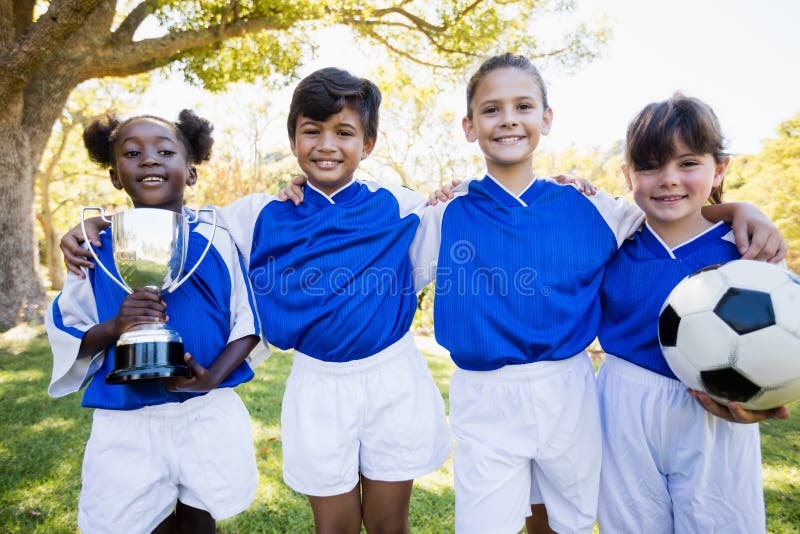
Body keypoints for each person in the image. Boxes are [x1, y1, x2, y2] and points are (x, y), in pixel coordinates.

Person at [61, 68, 452, 534]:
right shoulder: (260, 213)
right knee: (334, 527)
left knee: (391, 524)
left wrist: (551, 189)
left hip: (392, 375)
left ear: (367, 145)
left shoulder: (400, 205)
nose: (326, 145)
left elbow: (457, 217)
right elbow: (175, 218)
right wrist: (98, 226)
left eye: (344, 133)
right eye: (312, 131)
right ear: (293, 140)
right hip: (317, 381)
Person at [416, 53, 785, 534]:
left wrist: (739, 208)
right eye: (492, 109)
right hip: (514, 397)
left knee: (578, 517)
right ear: (469, 125)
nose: (508, 119)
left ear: (546, 118)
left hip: (578, 393)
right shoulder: (448, 212)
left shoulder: (600, 211)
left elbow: (679, 214)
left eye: (524, 105)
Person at [46, 110, 262, 534]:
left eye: (165, 151)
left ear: (192, 172)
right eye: (132, 152)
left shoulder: (217, 235)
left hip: (206, 410)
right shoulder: (92, 247)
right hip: (127, 423)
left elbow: (247, 320)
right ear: (114, 177)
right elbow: (68, 332)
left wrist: (210, 378)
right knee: (140, 523)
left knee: (202, 520)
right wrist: (115, 326)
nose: (149, 160)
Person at [595, 93, 789, 533]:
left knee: (720, 521)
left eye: (687, 164)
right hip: (622, 406)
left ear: (719, 168)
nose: (668, 180)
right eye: (649, 166)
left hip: (713, 410)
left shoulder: (747, 254)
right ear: (627, 175)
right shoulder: (613, 239)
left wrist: (764, 395)